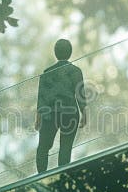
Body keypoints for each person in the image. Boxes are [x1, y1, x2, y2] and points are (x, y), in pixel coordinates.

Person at [35, 38, 88, 173]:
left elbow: (42, 97)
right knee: (65, 147)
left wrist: (38, 116)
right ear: (70, 52)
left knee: (43, 147)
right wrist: (84, 112)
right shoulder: (75, 71)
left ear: (55, 52)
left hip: (49, 113)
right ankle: (62, 174)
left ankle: (41, 175)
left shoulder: (47, 73)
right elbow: (80, 93)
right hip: (70, 112)